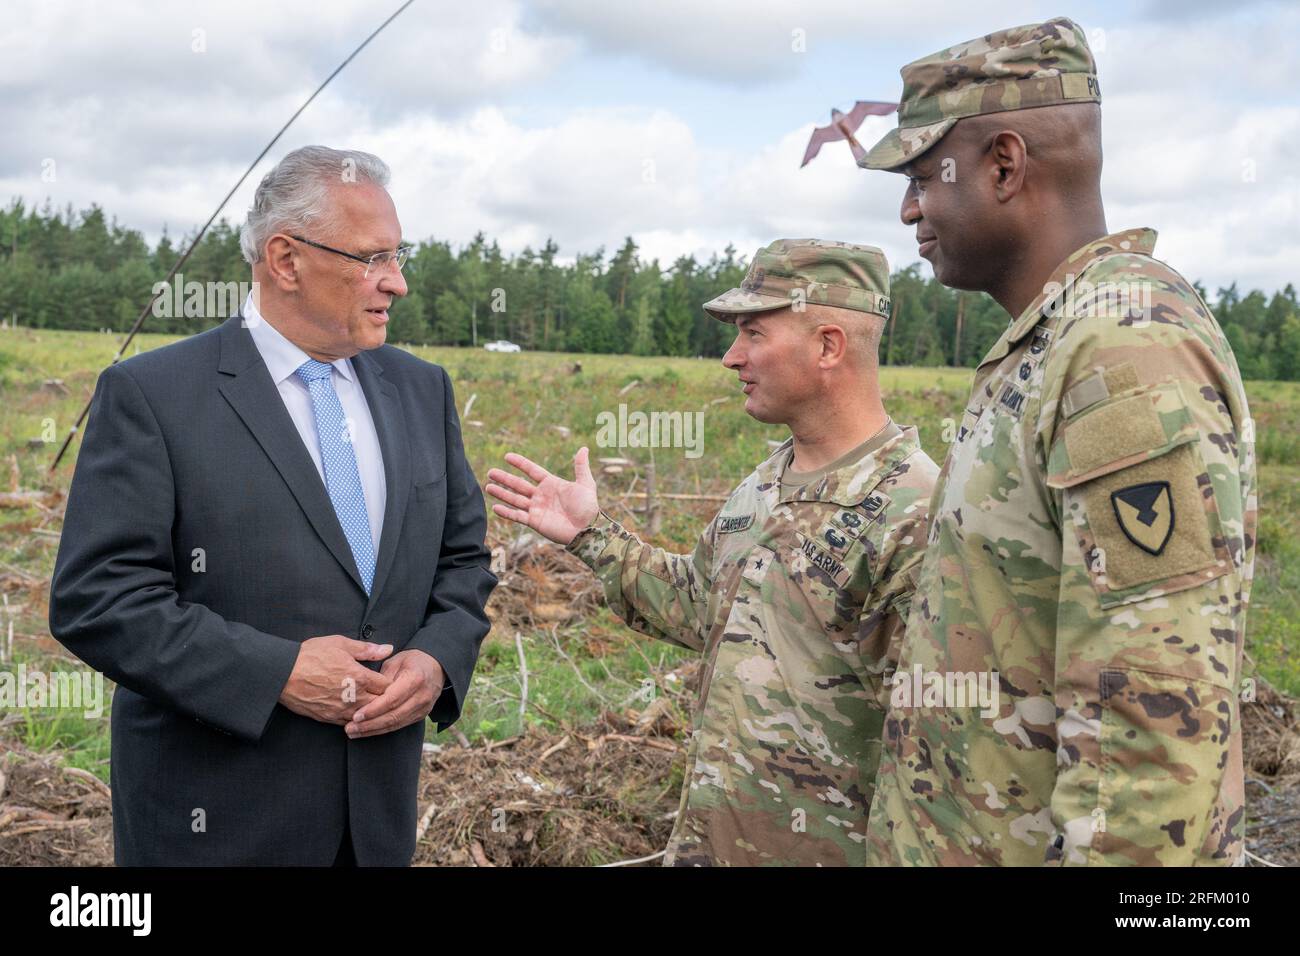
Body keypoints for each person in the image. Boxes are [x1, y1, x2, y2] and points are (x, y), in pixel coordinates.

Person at [857, 17, 1256, 865]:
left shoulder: (1124, 349)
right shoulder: (1050, 342)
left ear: (1004, 165)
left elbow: (1150, 747)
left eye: (925, 174)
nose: (907, 208)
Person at [48, 145, 497, 865]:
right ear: (286, 260)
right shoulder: (154, 396)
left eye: (399, 255)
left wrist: (437, 661)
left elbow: (463, 560)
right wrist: (275, 671)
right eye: (373, 258)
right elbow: (98, 599)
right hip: (216, 828)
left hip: (375, 823)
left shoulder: (422, 390)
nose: (398, 284)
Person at [486, 239, 938, 865]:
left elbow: (939, 759)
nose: (732, 358)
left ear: (829, 346)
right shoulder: (765, 483)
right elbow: (701, 606)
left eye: (754, 333)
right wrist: (594, 534)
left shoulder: (915, 515)